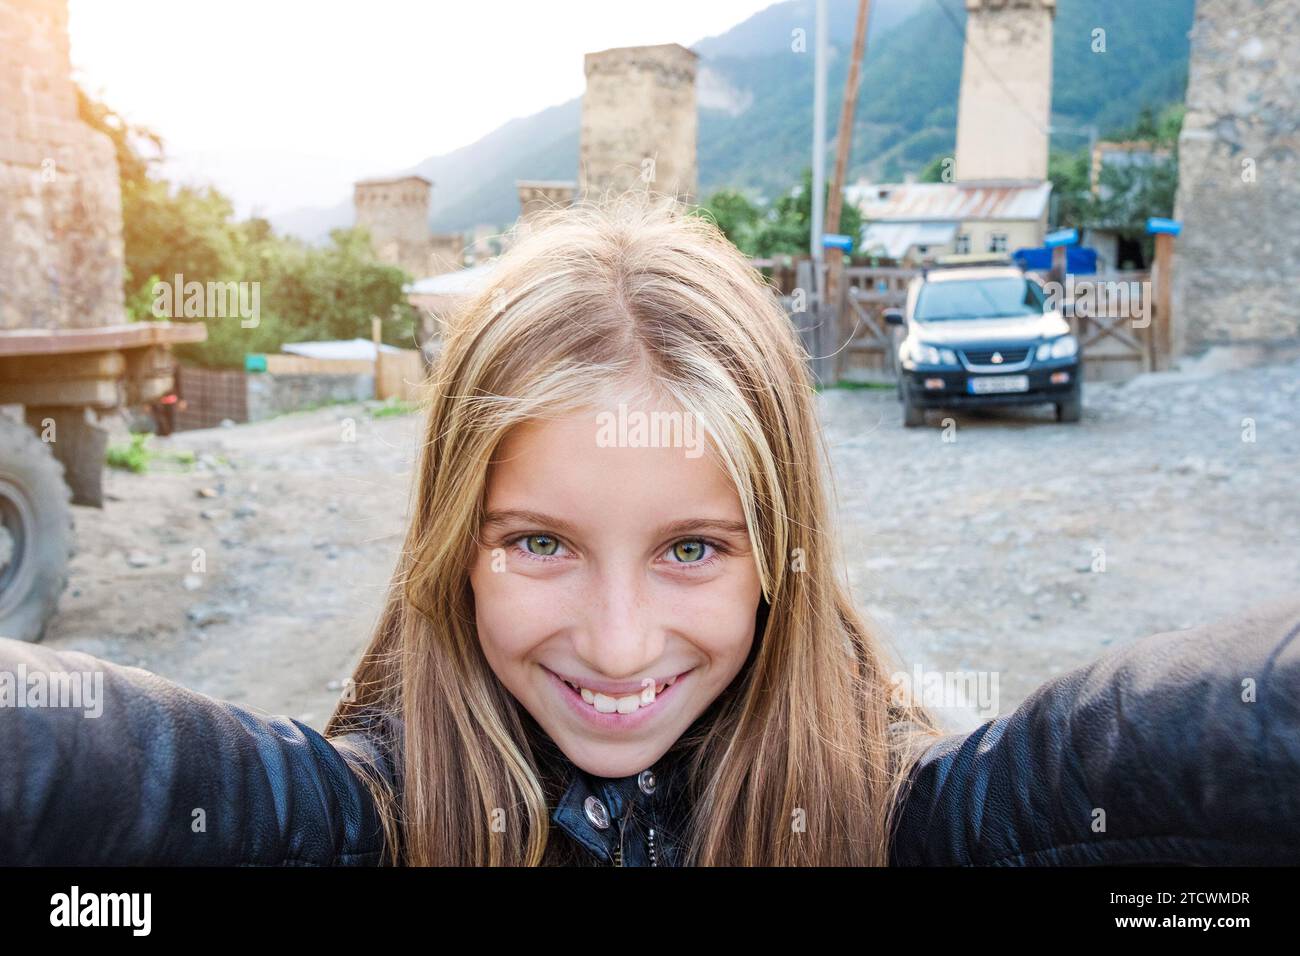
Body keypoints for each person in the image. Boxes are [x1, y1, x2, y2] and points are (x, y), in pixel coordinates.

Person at [2, 195, 1298, 866]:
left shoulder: (907, 819)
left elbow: (1120, 755)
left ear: (778, 558)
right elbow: (138, 774)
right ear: (454, 547)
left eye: (692, 548)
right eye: (538, 543)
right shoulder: (359, 819)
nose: (619, 649)